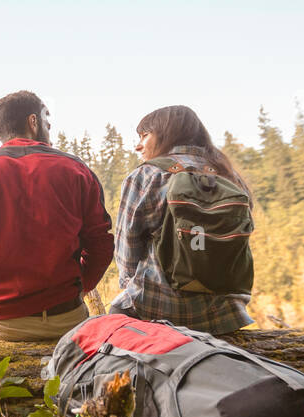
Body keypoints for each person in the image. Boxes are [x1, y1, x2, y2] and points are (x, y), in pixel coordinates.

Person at [0, 90, 114, 342]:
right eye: (47, 119)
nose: (49, 126)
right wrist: (80, 287)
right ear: (33, 121)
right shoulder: (77, 170)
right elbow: (101, 244)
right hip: (65, 319)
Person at [109, 104, 254, 335]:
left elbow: (128, 247)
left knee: (109, 331)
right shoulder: (228, 175)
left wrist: (129, 288)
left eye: (144, 135)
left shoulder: (146, 175)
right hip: (227, 313)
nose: (138, 145)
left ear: (166, 134)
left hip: (157, 308)